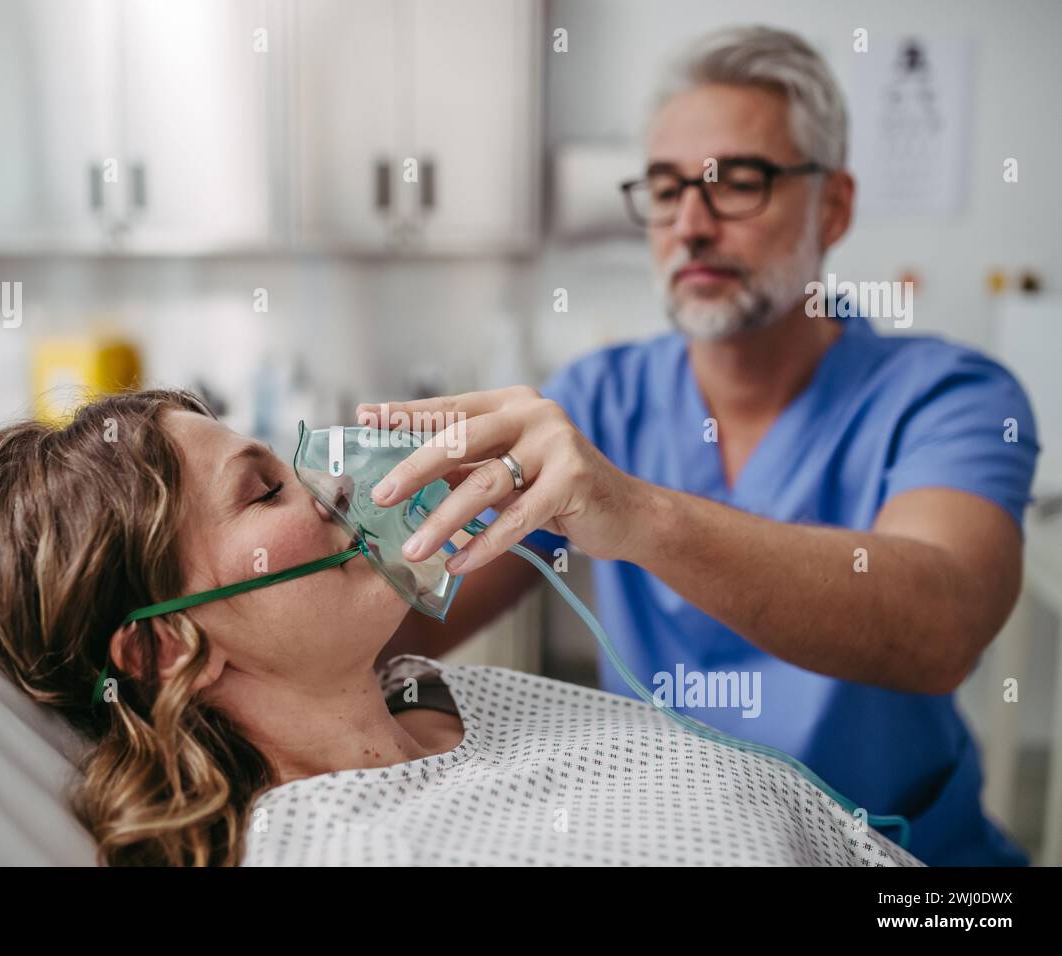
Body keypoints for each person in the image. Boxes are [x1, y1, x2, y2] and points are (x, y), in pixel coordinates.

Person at [371, 26, 1038, 867]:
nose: (690, 224)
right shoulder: (595, 401)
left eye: (738, 184)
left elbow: (941, 624)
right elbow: (403, 617)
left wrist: (638, 513)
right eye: (664, 188)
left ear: (833, 205)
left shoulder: (950, 396)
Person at [0, 388, 919, 866]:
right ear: (164, 644)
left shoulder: (445, 696)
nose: (336, 483)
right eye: (266, 489)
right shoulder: (331, 849)